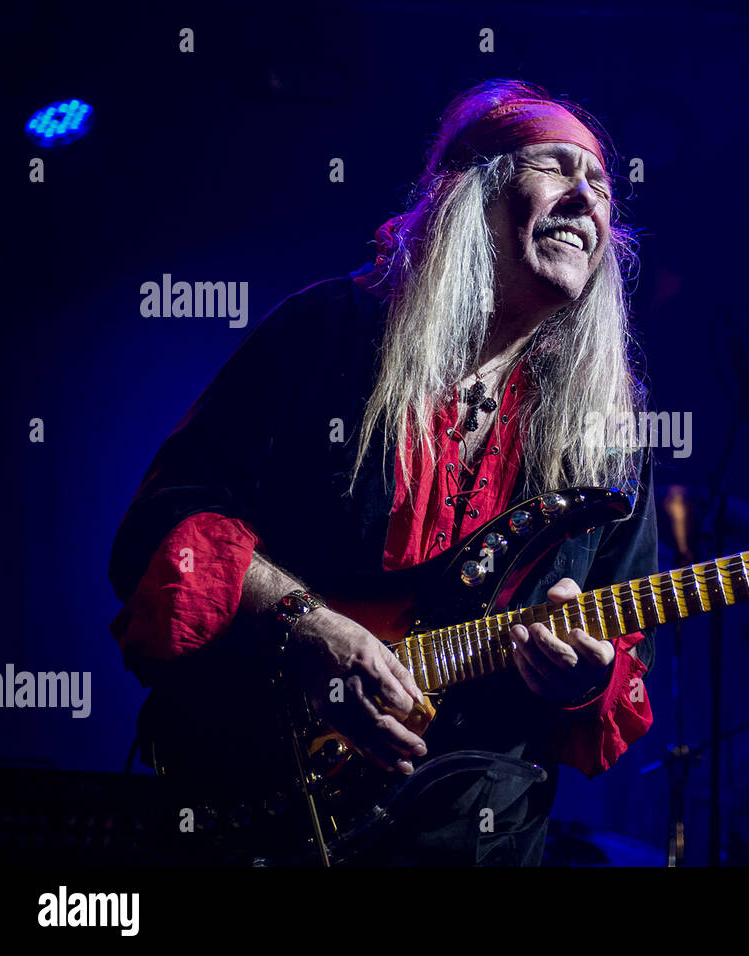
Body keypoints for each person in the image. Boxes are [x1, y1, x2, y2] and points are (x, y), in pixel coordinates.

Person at [107, 78, 657, 865]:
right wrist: (304, 624)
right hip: (260, 802)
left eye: (601, 184)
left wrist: (580, 677)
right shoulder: (326, 334)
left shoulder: (605, 430)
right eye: (557, 168)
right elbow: (165, 529)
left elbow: (620, 666)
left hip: (476, 833)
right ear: (470, 191)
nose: (587, 197)